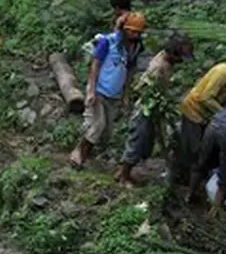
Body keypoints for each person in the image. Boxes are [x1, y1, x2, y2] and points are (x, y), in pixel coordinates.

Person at [172, 56, 226, 197]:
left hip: (207, 116)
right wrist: (224, 113)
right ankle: (181, 180)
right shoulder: (223, 72)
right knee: (194, 151)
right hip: (194, 111)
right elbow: (205, 97)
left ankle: (193, 183)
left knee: (203, 151)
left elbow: (224, 93)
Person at [70, 11, 147, 168]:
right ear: (124, 29)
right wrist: (91, 90)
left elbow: (130, 72)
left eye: (137, 32)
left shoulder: (136, 48)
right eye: (131, 31)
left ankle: (87, 154)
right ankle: (78, 153)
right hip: (99, 89)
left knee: (107, 131)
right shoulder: (108, 41)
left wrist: (125, 96)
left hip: (115, 93)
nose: (134, 34)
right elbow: (96, 64)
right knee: (97, 125)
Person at [117, 33, 193, 185]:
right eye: (180, 58)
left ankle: (122, 172)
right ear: (172, 54)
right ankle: (123, 177)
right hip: (145, 108)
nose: (180, 62)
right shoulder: (158, 67)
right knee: (137, 142)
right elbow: (145, 89)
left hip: (153, 108)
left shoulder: (166, 61)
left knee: (145, 143)